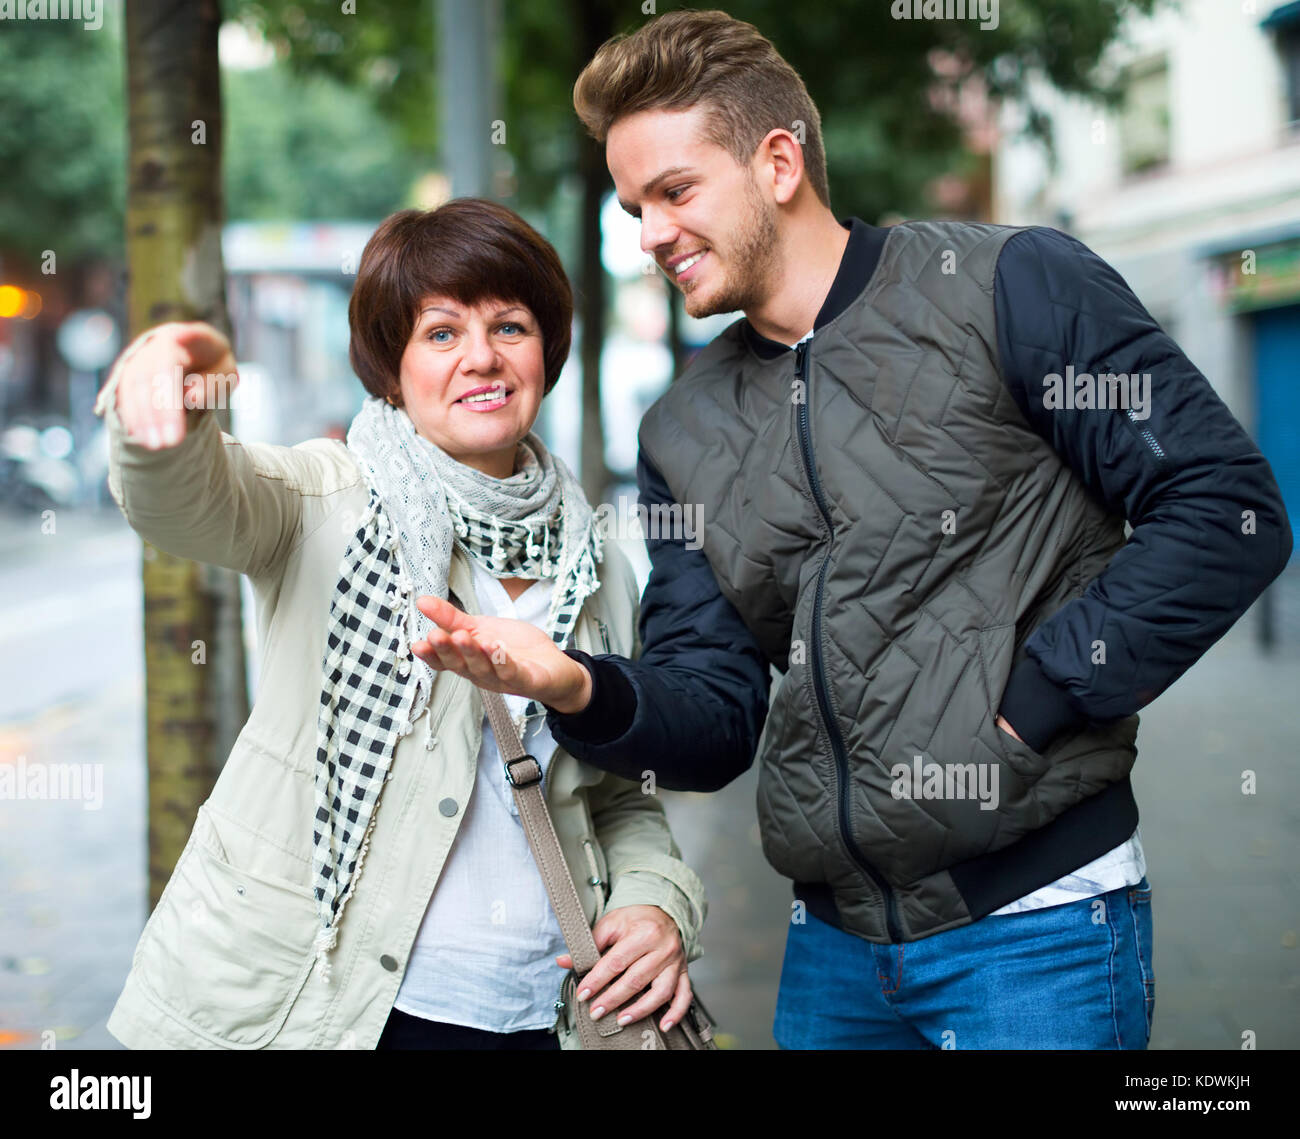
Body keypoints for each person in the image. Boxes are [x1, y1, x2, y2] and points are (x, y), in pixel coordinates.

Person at [411, 11, 1293, 1049]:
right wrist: (578, 685)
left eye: (675, 192)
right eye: (633, 205)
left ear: (778, 161)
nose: (647, 233)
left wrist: (1030, 705)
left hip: (1039, 926)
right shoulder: (686, 424)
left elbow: (1224, 511)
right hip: (830, 956)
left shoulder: (1011, 287)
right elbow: (715, 709)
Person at [94, 198, 706, 1051]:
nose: (482, 358)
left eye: (511, 326)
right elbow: (196, 501)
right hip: (346, 1010)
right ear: (393, 364)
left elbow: (617, 794)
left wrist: (654, 899)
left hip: (544, 1011)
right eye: (443, 333)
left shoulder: (595, 556)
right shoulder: (325, 497)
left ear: (548, 349)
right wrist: (167, 411)